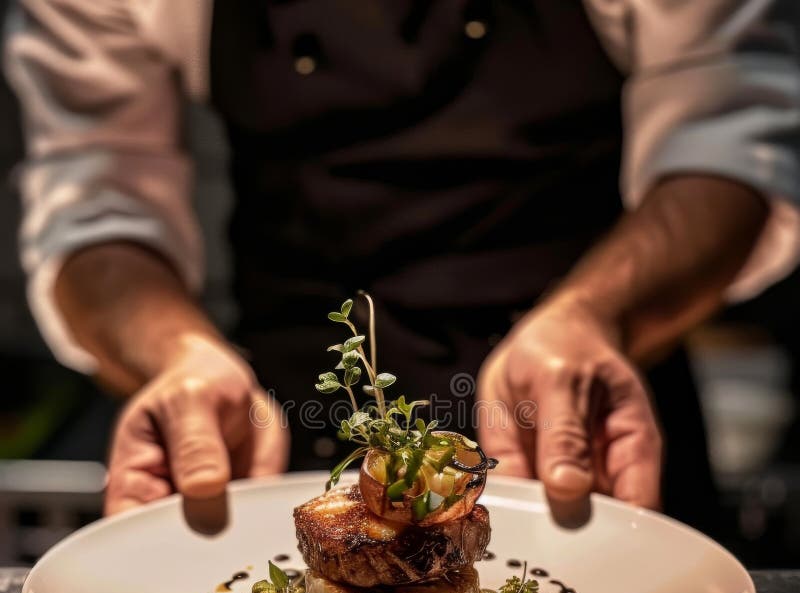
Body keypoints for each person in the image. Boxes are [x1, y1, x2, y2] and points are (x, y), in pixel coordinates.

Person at [4, 1, 799, 533]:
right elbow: (96, 182)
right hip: (281, 436)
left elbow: (733, 132)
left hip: (588, 420)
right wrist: (175, 351)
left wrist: (596, 315)